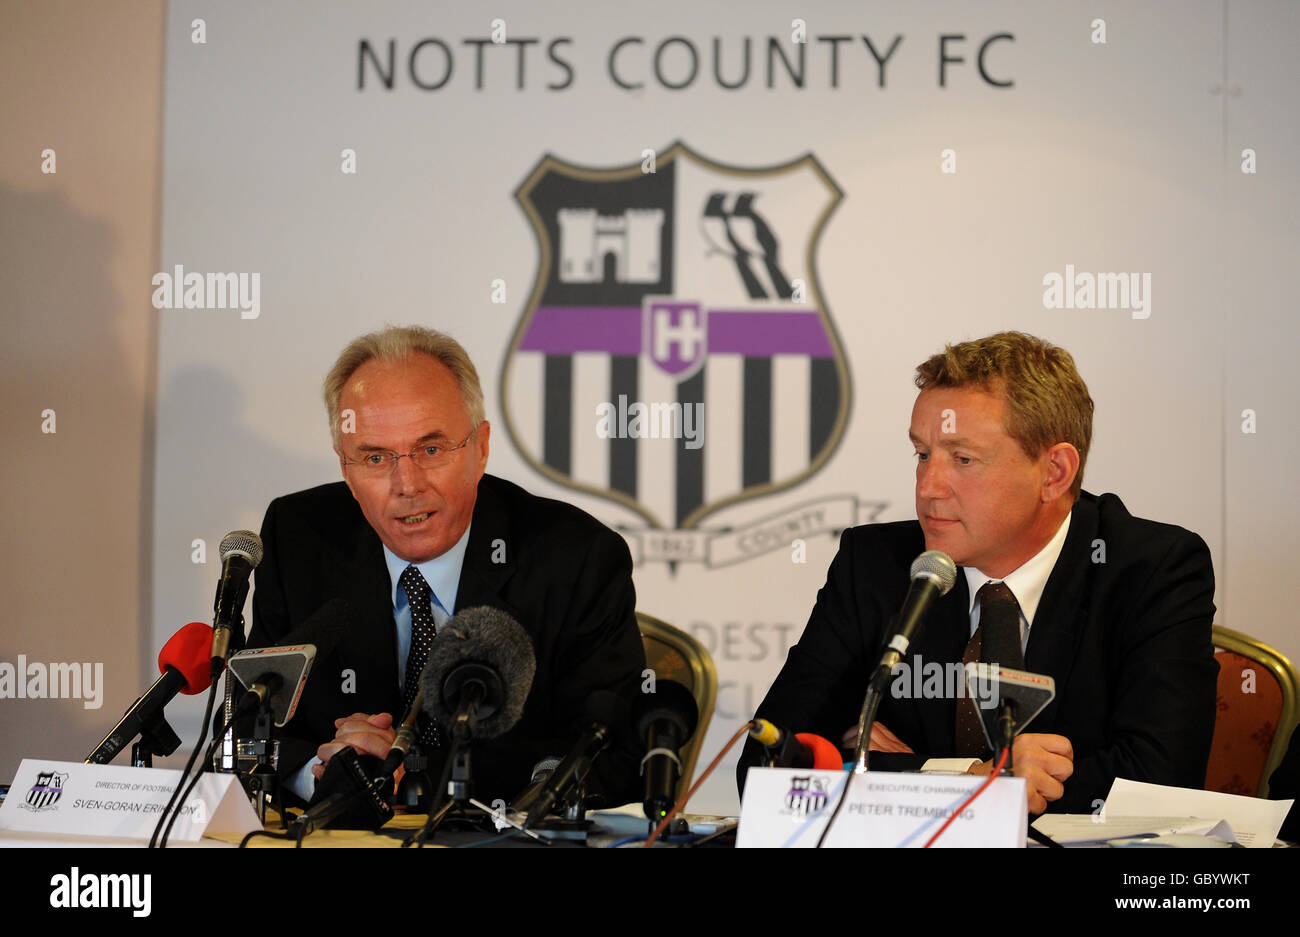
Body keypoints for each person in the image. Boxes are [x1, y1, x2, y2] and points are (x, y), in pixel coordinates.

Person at [738, 331, 1218, 815]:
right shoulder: (874, 563)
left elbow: (1161, 783)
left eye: (963, 459)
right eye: (923, 454)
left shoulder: (1151, 568)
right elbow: (767, 763)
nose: (928, 487)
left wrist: (907, 776)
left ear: (1054, 472)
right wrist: (966, 778)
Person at [246, 325, 646, 812]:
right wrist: (326, 774)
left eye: (431, 450)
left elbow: (614, 760)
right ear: (345, 469)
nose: (407, 484)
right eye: (375, 457)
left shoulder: (576, 558)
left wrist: (406, 778)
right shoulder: (298, 539)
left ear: (480, 448)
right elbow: (247, 726)